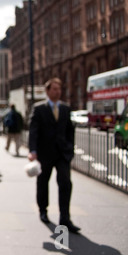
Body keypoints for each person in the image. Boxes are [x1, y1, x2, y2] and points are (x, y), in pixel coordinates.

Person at [28, 78, 80, 233]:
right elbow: (33, 131)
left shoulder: (65, 108)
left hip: (62, 154)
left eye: (59, 88)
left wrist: (70, 149)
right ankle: (43, 210)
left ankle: (65, 218)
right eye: (55, 89)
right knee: (43, 183)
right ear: (48, 91)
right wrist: (33, 150)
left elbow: (70, 130)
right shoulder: (39, 109)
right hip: (45, 154)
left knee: (65, 184)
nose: (58, 91)